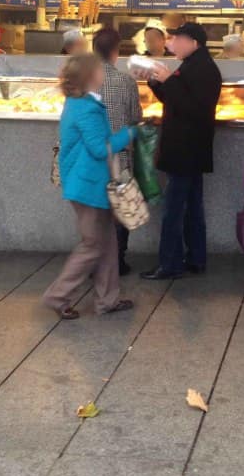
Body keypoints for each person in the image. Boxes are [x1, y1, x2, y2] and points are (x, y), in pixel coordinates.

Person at [42, 53, 137, 319]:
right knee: (93, 245)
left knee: (107, 244)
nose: (103, 73)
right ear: (89, 76)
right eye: (99, 70)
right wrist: (129, 134)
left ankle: (107, 300)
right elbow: (100, 148)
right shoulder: (85, 108)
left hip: (90, 183)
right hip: (88, 186)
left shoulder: (81, 103)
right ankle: (57, 296)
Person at [141, 22, 222, 280]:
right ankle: (196, 259)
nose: (171, 43)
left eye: (177, 38)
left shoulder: (203, 69)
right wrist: (156, 84)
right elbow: (178, 100)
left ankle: (171, 263)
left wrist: (168, 81)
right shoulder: (194, 65)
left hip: (186, 150)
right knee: (192, 207)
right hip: (190, 151)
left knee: (174, 210)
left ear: (193, 42)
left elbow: (196, 109)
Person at [93, 26, 142, 277]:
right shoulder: (125, 81)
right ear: (116, 51)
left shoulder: (85, 80)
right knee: (120, 208)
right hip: (119, 154)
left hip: (91, 156)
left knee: (97, 210)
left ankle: (96, 259)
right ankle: (118, 260)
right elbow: (136, 117)